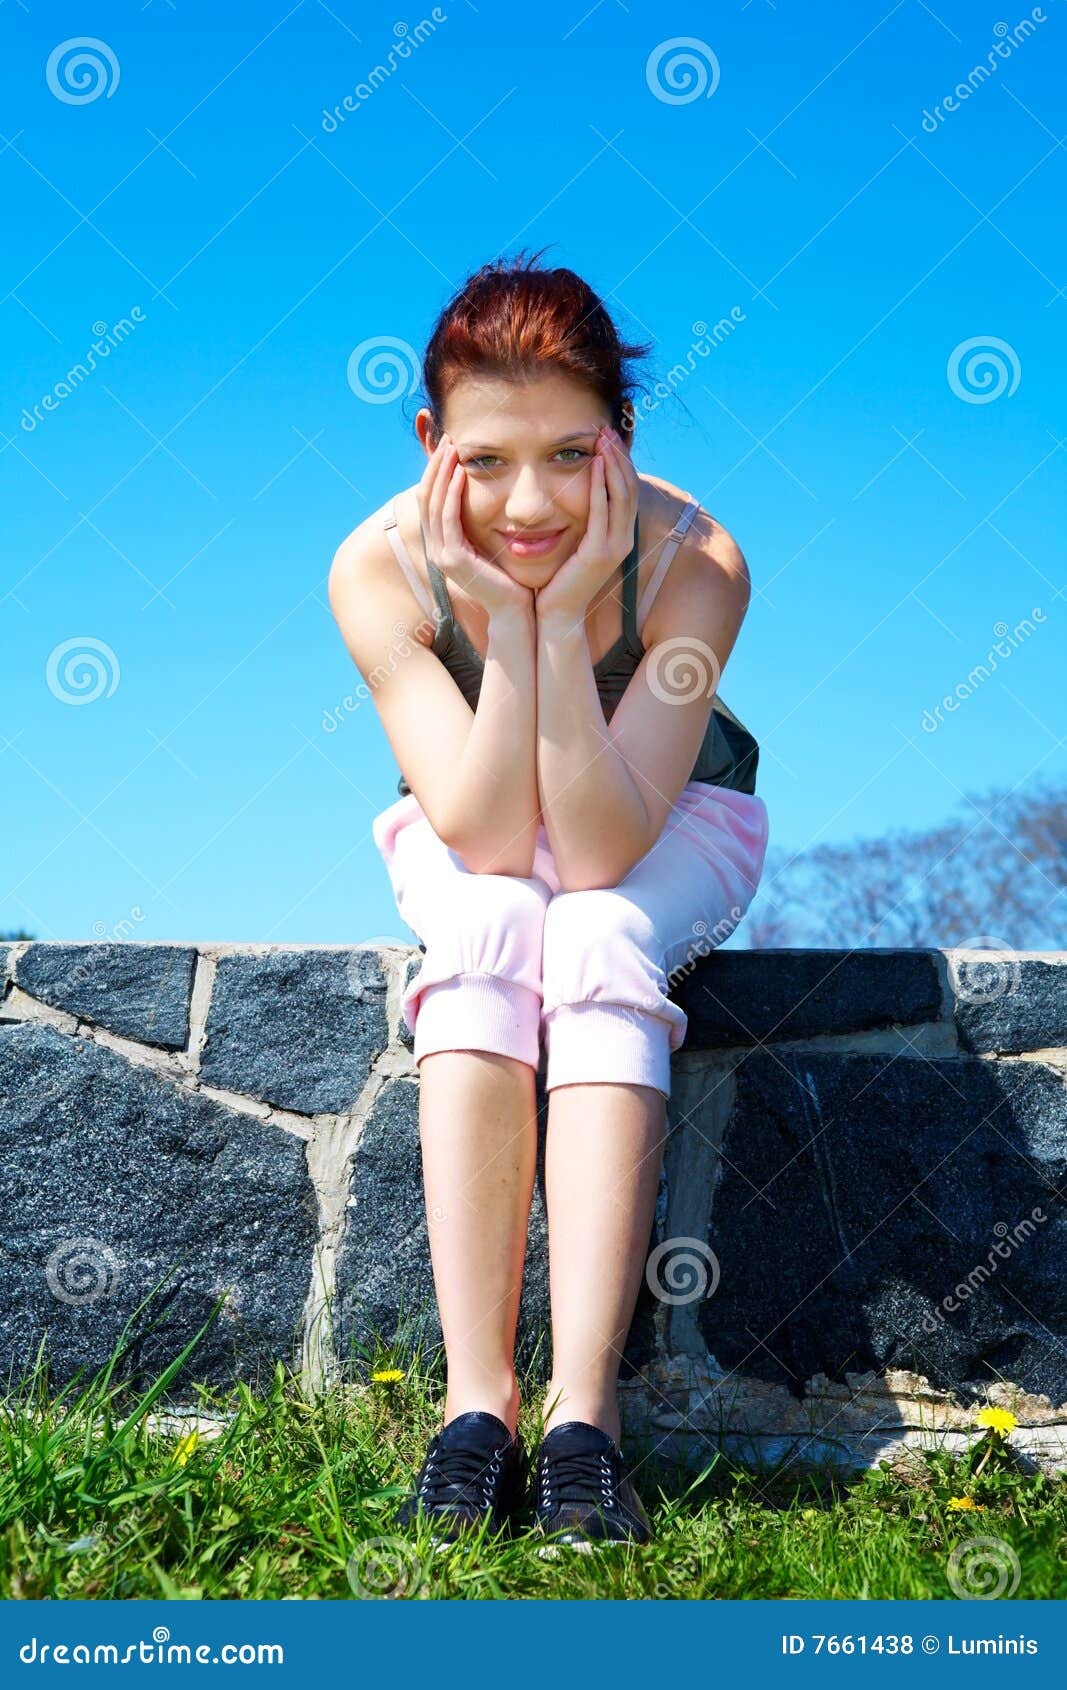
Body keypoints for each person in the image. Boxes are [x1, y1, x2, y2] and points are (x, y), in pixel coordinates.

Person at [328, 249, 769, 1551]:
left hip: (672, 819)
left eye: (572, 455)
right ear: (430, 442)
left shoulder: (702, 562)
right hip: (470, 809)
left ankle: (587, 1425)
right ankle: (477, 1416)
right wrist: (501, 618)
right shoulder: (377, 569)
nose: (529, 502)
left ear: (622, 439)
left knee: (597, 930)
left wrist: (572, 606)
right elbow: (480, 828)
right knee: (483, 923)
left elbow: (596, 848)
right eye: (488, 459)